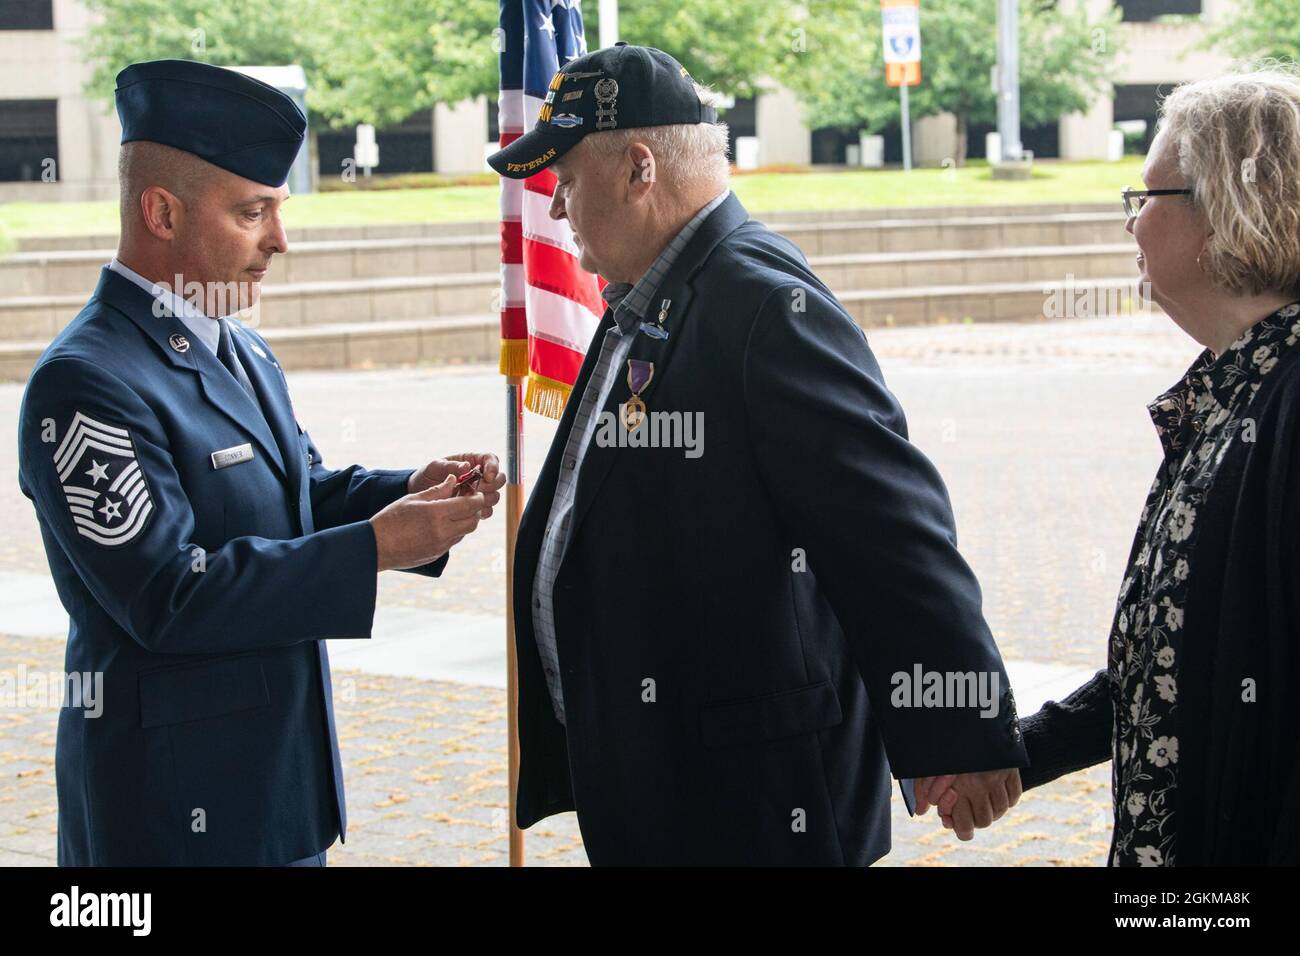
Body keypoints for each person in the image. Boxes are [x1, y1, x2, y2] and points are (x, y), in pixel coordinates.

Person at [488, 43, 1025, 865]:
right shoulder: (652, 287)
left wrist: (963, 726)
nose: (556, 208)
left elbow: (888, 528)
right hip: (672, 775)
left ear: (639, 168)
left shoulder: (764, 304)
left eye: (565, 178)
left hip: (755, 803)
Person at [16, 59, 504, 866]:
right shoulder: (87, 382)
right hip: (170, 815)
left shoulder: (239, 345)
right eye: (253, 214)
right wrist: (376, 547)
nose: (280, 241)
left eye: (277, 210)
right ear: (162, 212)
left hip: (276, 794)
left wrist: (409, 494)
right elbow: (169, 596)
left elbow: (296, 494)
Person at [1001, 65, 1300, 865]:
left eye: (1147, 200)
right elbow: (1170, 666)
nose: (1131, 226)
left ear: (1226, 211)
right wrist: (1019, 753)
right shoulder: (1235, 389)